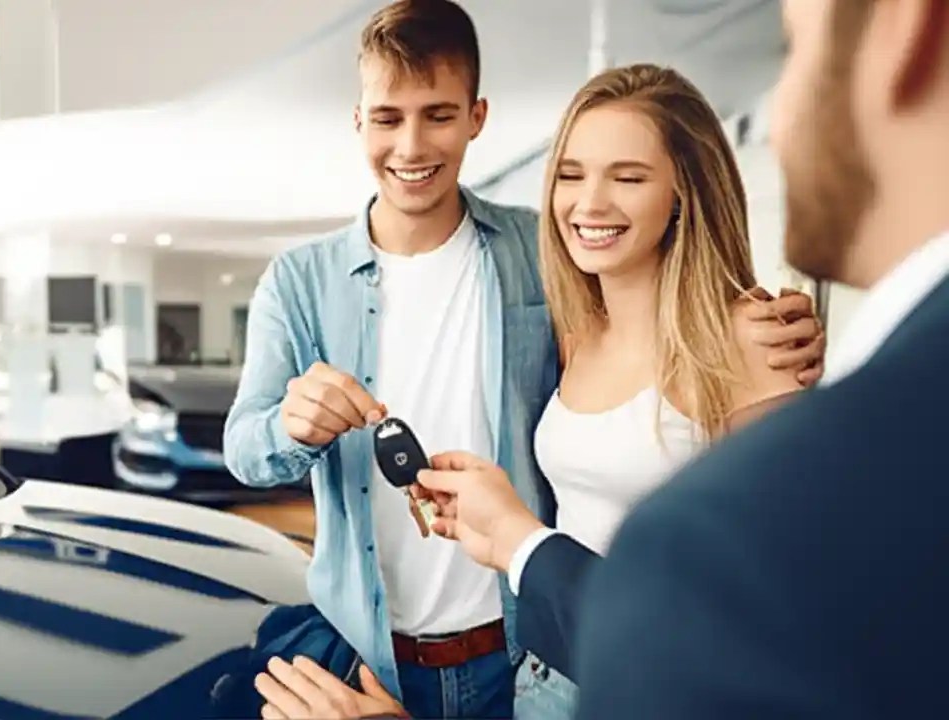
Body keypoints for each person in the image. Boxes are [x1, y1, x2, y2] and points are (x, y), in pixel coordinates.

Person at [257, 0, 949, 718]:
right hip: (542, 668)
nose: (589, 202)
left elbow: (776, 617)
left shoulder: (749, 335)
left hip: (632, 673)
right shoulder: (576, 325)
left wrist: (518, 537)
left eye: (627, 176)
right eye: (571, 174)